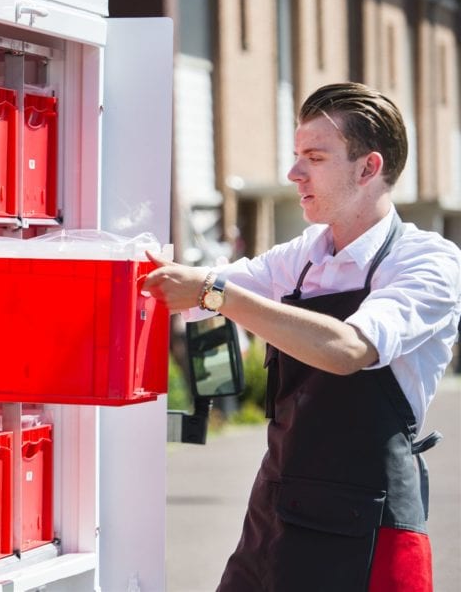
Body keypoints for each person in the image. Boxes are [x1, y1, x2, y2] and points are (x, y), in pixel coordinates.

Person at [144, 82, 461, 591]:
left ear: (368, 168)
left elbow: (348, 349)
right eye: (296, 156)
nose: (293, 174)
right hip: (275, 514)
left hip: (368, 527)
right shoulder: (303, 253)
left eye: (313, 157)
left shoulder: (427, 261)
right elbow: (204, 284)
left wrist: (213, 294)